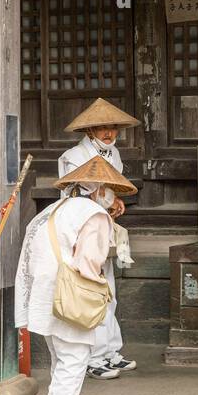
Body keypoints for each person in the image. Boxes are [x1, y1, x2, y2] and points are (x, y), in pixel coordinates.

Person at [18, 155, 137, 395]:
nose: (111, 195)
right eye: (108, 189)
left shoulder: (53, 209)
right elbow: (89, 262)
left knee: (60, 352)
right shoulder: (93, 214)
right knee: (75, 353)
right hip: (69, 291)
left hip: (42, 290)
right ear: (98, 189)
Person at [57, 98, 141, 380]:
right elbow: (79, 193)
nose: (108, 133)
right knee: (88, 290)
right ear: (90, 130)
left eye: (112, 128)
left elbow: (113, 187)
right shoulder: (73, 156)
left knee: (108, 291)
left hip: (102, 227)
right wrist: (110, 198)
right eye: (102, 128)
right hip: (81, 229)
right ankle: (91, 356)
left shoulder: (113, 154)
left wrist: (115, 201)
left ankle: (109, 351)